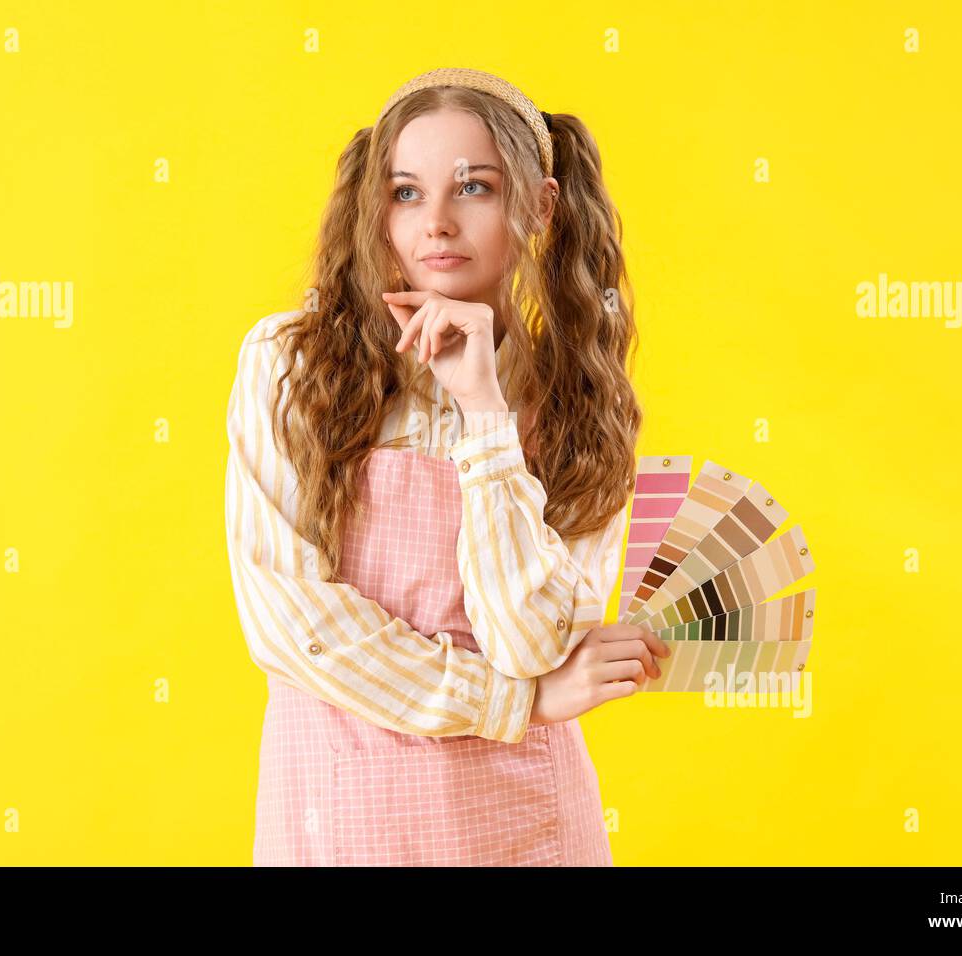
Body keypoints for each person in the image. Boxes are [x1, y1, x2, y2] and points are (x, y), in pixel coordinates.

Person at [225, 67, 667, 866]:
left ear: (540, 205)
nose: (435, 223)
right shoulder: (289, 366)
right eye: (405, 193)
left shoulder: (579, 404)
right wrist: (516, 702)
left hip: (530, 824)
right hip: (339, 823)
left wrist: (486, 415)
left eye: (473, 188)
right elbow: (289, 624)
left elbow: (533, 643)